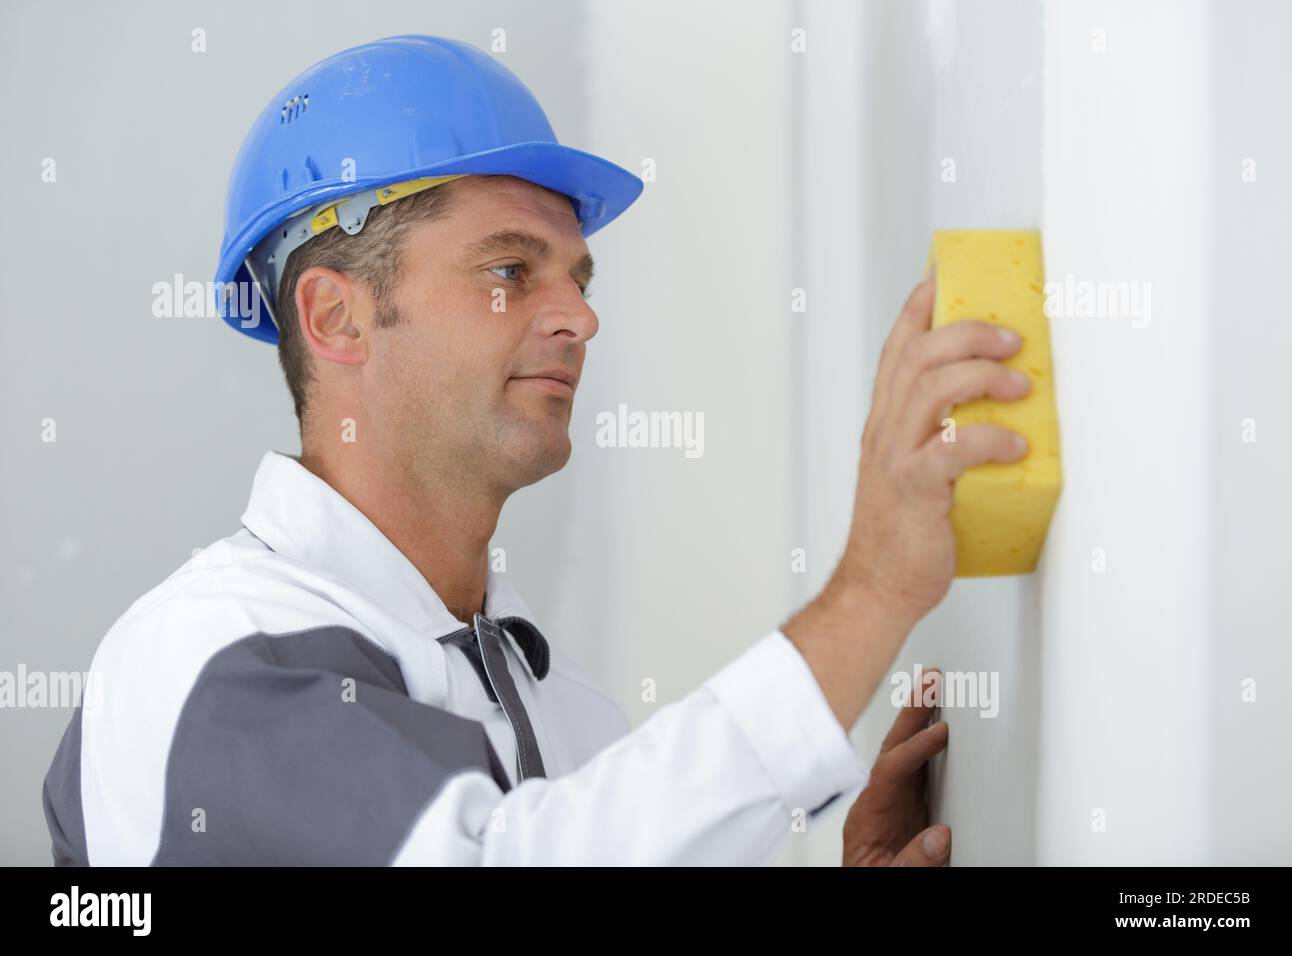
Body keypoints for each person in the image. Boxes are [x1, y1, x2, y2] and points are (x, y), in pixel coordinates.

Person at [42, 35, 1030, 866]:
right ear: (336, 315)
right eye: (511, 269)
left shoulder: (571, 721)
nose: (579, 317)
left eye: (579, 275)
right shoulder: (207, 655)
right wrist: (871, 589)